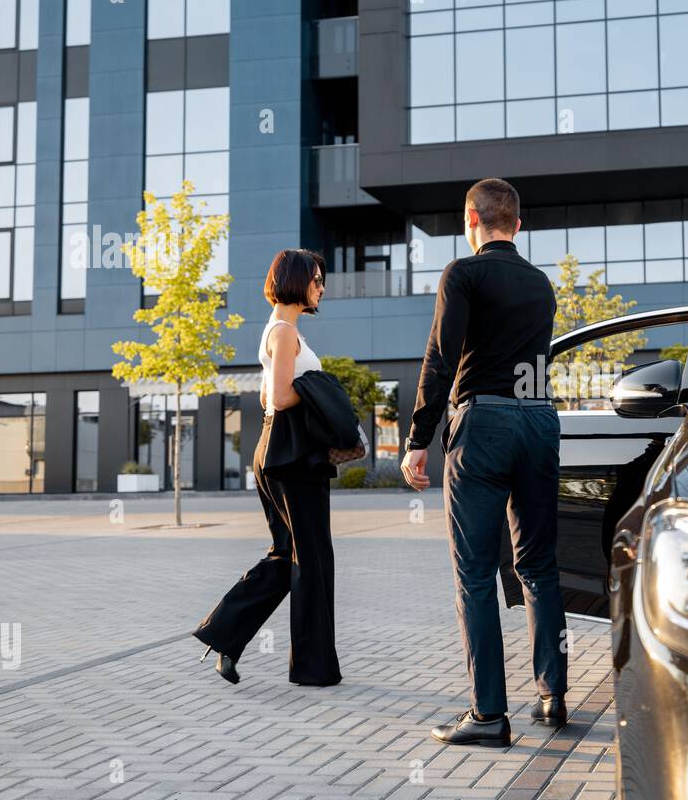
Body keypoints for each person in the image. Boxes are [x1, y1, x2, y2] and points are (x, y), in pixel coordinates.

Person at [402, 178, 568, 748]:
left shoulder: (463, 274)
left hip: (485, 424)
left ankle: (490, 715)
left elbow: (442, 357)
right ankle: (552, 695)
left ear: (472, 218)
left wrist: (418, 437)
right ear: (516, 225)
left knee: (474, 573)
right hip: (540, 421)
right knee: (538, 564)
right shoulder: (541, 284)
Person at [193, 249, 361, 686]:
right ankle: (312, 668)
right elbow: (283, 396)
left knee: (289, 555)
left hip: (278, 452)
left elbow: (269, 397)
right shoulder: (284, 331)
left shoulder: (280, 329)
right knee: (312, 561)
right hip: (290, 458)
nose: (321, 287)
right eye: (317, 279)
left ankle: (225, 635)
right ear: (296, 280)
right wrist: (322, 387)